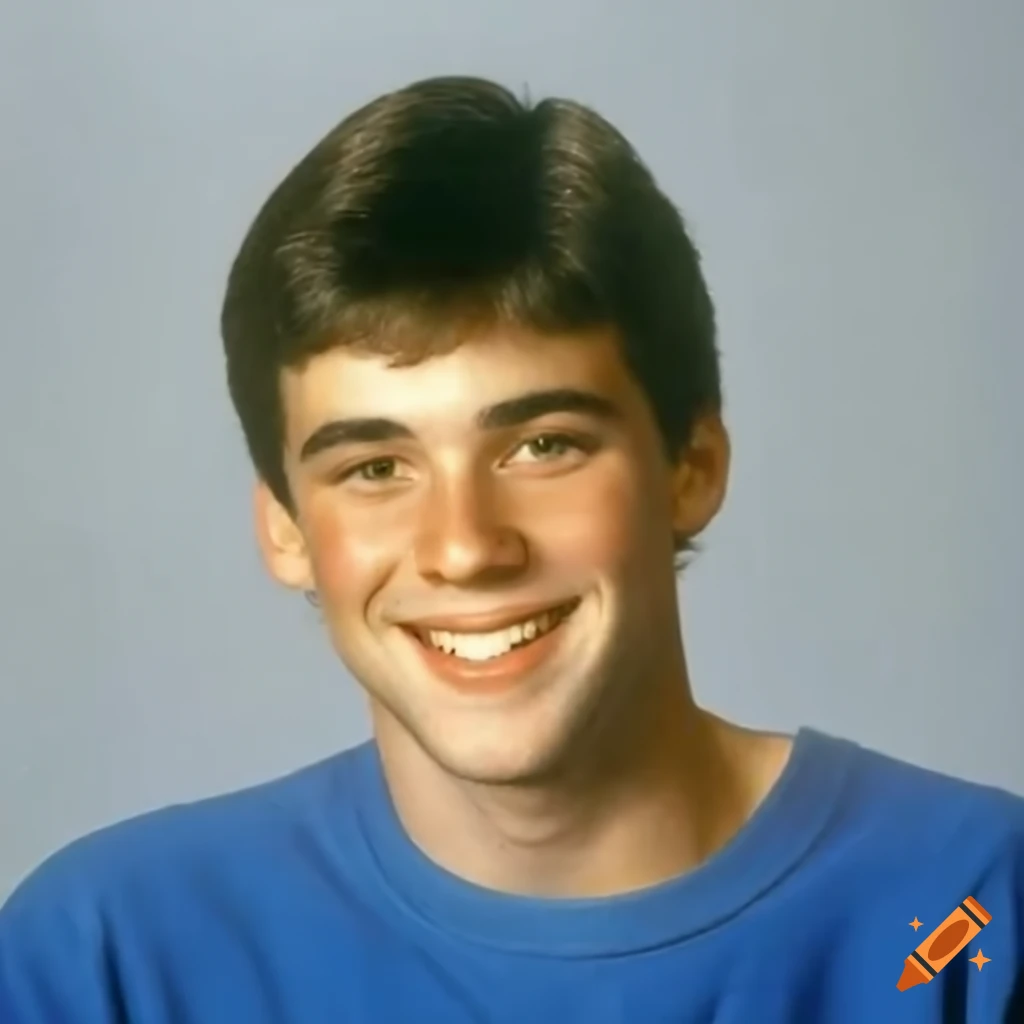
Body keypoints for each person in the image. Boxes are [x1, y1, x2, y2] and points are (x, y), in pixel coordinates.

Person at [1, 75, 1021, 1023]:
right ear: (284, 526)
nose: (464, 547)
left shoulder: (969, 914)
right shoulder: (107, 962)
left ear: (692, 466)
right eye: (374, 466)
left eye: (542, 446)